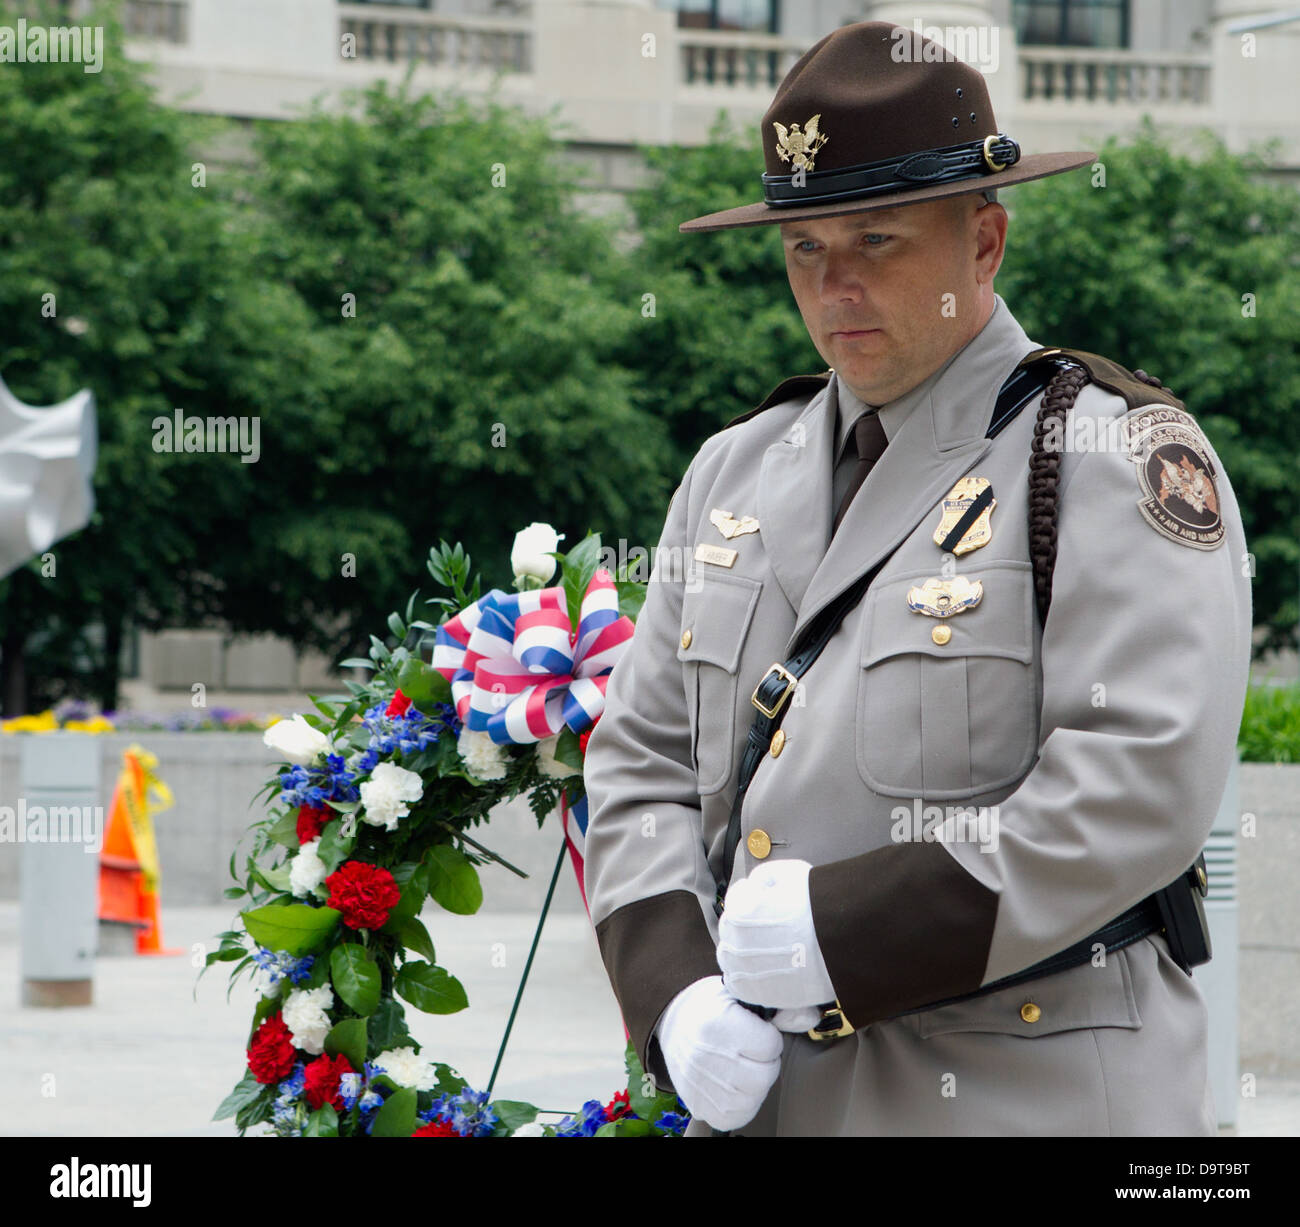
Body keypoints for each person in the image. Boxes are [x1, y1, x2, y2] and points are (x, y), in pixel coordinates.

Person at [581, 20, 1251, 1137]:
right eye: (803, 249)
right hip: (765, 1098)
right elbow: (639, 760)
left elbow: (1141, 777)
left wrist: (843, 935)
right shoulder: (732, 470)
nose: (834, 285)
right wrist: (673, 985)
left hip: (1013, 1097)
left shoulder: (1103, 453)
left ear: (983, 243)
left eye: (876, 241)